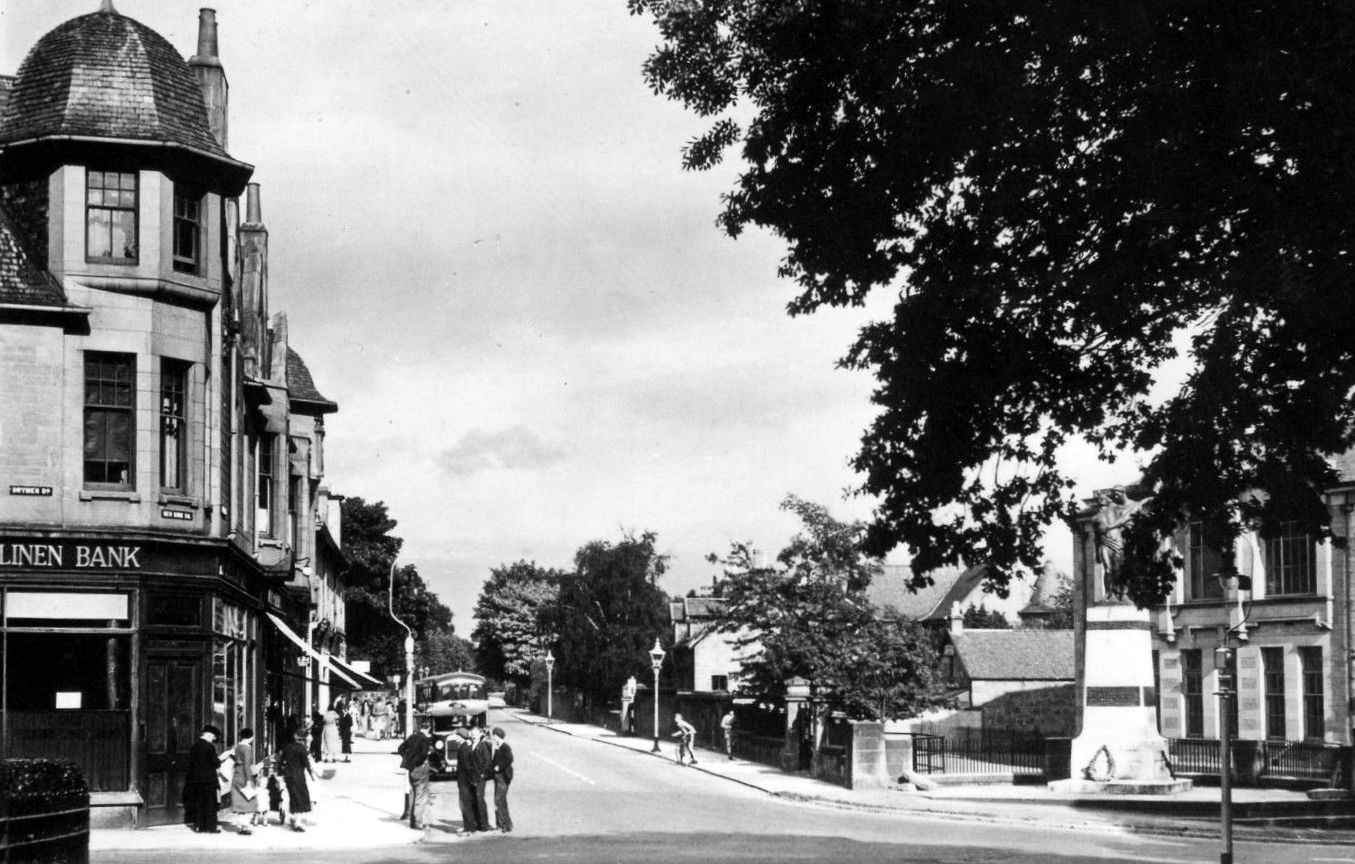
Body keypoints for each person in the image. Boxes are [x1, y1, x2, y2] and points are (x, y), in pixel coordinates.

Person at [182, 723, 223, 833]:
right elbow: (216, 763)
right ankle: (211, 827)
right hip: (209, 779)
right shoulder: (209, 747)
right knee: (210, 803)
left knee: (199, 803)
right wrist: (219, 760)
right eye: (213, 737)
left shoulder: (194, 746)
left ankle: (200, 826)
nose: (213, 739)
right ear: (209, 735)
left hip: (196, 779)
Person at [398, 716, 433, 831]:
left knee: (413, 793)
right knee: (420, 796)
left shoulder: (412, 737)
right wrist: (417, 762)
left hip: (411, 770)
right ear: (428, 728)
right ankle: (418, 822)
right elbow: (423, 754)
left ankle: (413, 821)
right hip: (420, 769)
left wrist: (409, 760)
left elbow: (400, 748)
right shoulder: (425, 739)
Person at [279, 729, 318, 832]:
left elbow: (281, 761)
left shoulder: (287, 747)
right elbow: (306, 764)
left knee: (293, 797)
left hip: (288, 776)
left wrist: (280, 773)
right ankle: (297, 822)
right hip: (299, 777)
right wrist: (312, 775)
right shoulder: (302, 749)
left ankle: (293, 818)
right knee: (301, 799)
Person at [228, 727, 261, 835]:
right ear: (251, 737)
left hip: (237, 774)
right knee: (249, 801)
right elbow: (247, 765)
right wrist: (249, 780)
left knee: (240, 801)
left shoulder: (237, 747)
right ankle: (245, 826)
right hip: (244, 775)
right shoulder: (247, 748)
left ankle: (241, 826)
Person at [454, 728, 479, 833]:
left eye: (457, 737)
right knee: (466, 803)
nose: (456, 739)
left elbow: (467, 766)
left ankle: (469, 828)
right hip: (466, 780)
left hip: (464, 781)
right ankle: (468, 826)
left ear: (461, 737)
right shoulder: (466, 747)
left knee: (465, 804)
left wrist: (468, 779)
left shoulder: (463, 749)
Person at [489, 727, 514, 833]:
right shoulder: (498, 747)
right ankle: (506, 825)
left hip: (503, 777)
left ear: (498, 736)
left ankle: (503, 825)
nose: (493, 738)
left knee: (499, 801)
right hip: (498, 777)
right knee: (501, 801)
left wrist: (499, 766)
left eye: (494, 736)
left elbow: (510, 759)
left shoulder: (505, 747)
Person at [471, 726, 494, 830]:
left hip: (480, 777)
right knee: (474, 800)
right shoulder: (470, 746)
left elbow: (487, 761)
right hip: (472, 777)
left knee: (480, 799)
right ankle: (477, 823)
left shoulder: (482, 746)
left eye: (475, 735)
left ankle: (484, 824)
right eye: (472, 734)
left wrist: (482, 773)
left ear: (479, 735)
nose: (473, 736)